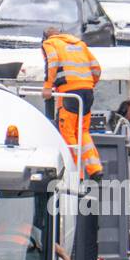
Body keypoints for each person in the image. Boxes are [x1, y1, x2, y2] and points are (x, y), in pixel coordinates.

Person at [42, 27, 103, 180]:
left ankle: (77, 173)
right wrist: (89, 83)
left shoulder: (51, 44)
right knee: (83, 131)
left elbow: (53, 63)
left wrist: (48, 87)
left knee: (67, 132)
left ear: (46, 37)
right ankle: (95, 168)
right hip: (87, 91)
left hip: (69, 93)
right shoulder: (80, 44)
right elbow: (96, 68)